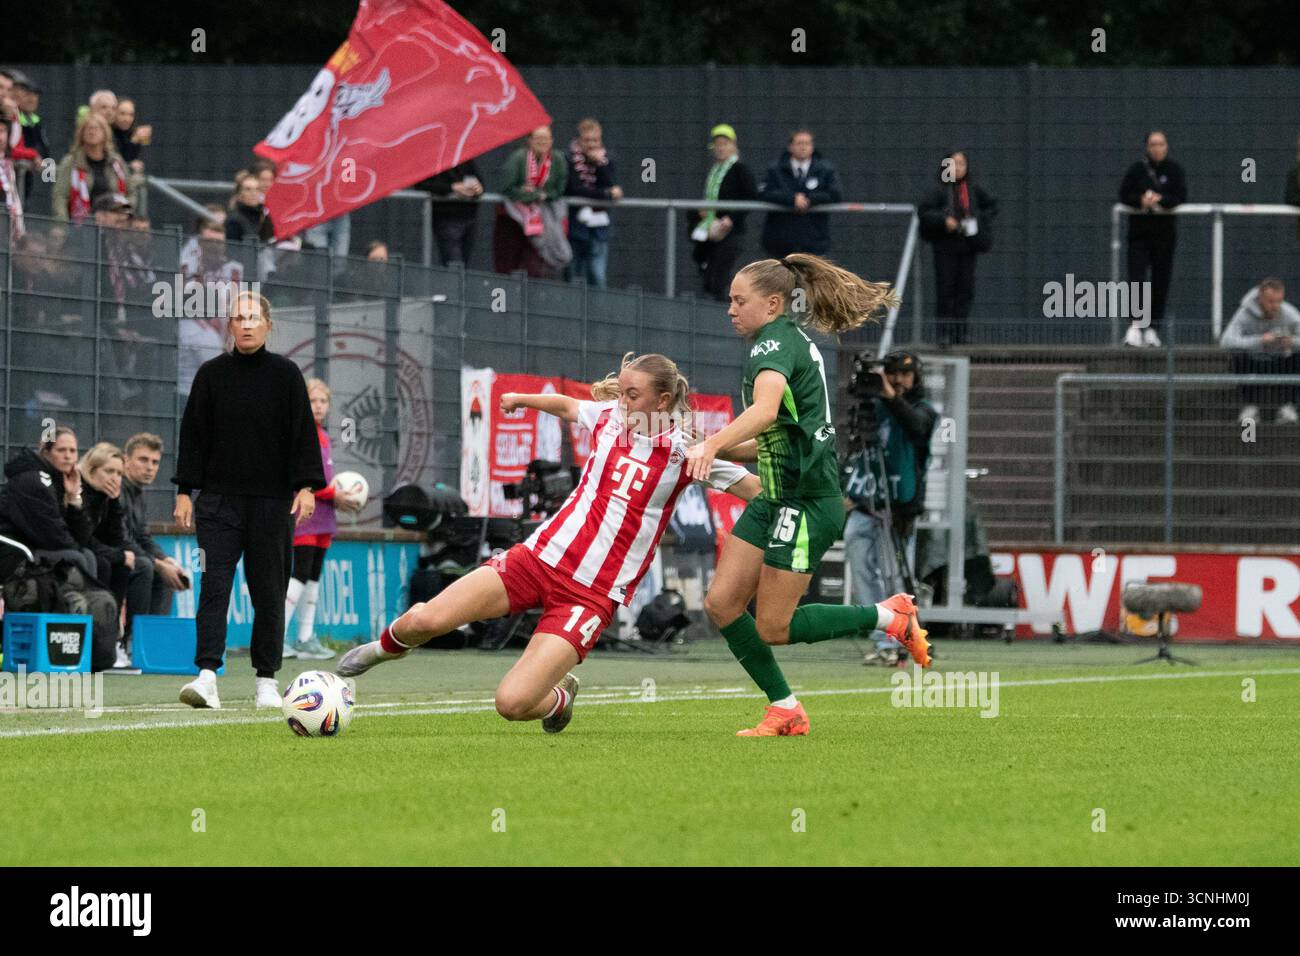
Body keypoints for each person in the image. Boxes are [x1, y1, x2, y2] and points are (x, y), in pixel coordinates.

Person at [336, 353, 763, 735]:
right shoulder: (609, 418)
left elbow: (755, 491)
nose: (622, 402)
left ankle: (560, 697)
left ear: (663, 400)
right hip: (536, 559)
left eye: (633, 395)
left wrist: (797, 498)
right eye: (622, 393)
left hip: (590, 595)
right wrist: (523, 398)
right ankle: (381, 650)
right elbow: (568, 405)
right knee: (425, 621)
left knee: (513, 704)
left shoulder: (686, 453)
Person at [686, 254, 930, 737]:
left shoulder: (771, 344)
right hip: (778, 497)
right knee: (722, 603)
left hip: (803, 503)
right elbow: (779, 431)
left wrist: (712, 444)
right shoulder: (788, 341)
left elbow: (765, 409)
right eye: (730, 300)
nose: (730, 309)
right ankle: (785, 709)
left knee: (773, 627)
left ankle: (890, 615)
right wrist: (706, 449)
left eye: (740, 301)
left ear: (773, 303)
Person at [172, 291, 326, 710]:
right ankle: (206, 677)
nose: (245, 324)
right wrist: (185, 491)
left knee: (269, 591)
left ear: (268, 324)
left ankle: (266, 681)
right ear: (229, 325)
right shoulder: (210, 375)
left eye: (253, 318)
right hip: (218, 504)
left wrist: (308, 486)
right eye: (237, 318)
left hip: (272, 504)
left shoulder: (287, 374)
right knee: (214, 586)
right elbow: (193, 435)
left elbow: (302, 434)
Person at [841, 350, 938, 665]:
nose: (898, 380)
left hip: (898, 509)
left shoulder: (923, 410)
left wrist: (889, 396)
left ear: (915, 378)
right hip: (865, 504)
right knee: (863, 573)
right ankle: (882, 639)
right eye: (892, 373)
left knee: (894, 579)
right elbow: (856, 444)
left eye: (905, 374)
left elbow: (917, 427)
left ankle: (902, 639)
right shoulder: (872, 410)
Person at [283, 378, 365, 661]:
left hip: (325, 517)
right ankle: (276, 637)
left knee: (314, 578)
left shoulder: (324, 437)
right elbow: (305, 478)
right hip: (305, 515)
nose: (318, 406)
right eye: (312, 400)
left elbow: (325, 478)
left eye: (322, 401)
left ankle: (305, 638)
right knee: (299, 573)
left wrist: (339, 497)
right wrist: (335, 494)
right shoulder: (297, 433)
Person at [918, 148, 998, 347]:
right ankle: (944, 334)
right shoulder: (939, 189)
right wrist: (944, 220)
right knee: (946, 290)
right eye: (954, 164)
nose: (958, 168)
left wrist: (978, 220)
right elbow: (924, 211)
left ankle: (960, 333)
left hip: (968, 246)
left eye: (962, 164)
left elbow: (992, 205)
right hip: (945, 246)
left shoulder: (973, 188)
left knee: (965, 291)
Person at [120, 433, 191, 645]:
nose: (150, 467)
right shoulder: (117, 490)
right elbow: (121, 538)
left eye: (155, 462)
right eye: (143, 460)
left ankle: (150, 643)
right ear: (126, 460)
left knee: (164, 571)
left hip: (130, 555)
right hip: (109, 555)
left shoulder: (138, 494)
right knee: (146, 567)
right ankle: (132, 641)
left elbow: (142, 537)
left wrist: (165, 560)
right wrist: (158, 564)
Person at [0, 425, 96, 582]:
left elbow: (80, 537)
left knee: (87, 555)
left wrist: (74, 498)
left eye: (72, 451)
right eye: (61, 450)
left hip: (35, 546)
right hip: (14, 552)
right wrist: (76, 545)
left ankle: (93, 604)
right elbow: (54, 536)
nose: (68, 456)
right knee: (77, 557)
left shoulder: (58, 481)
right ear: (46, 452)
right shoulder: (35, 480)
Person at [1119, 130, 1187, 347]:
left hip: (1164, 236)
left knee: (1160, 282)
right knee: (1137, 280)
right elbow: (1123, 195)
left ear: (1166, 146)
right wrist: (1141, 200)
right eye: (1153, 144)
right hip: (1139, 235)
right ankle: (1136, 325)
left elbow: (1180, 196)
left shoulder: (1175, 170)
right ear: (1147, 147)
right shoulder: (1137, 170)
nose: (1157, 148)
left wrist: (1160, 199)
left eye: (1161, 144)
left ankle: (1153, 328)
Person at [77, 442, 133, 665]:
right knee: (106, 563)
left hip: (93, 550)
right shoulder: (79, 491)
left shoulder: (105, 497)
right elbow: (83, 537)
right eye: (109, 471)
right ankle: (96, 639)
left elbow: (117, 540)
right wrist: (118, 555)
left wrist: (115, 502)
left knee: (126, 564)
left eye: (119, 473)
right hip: (75, 550)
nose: (115, 478)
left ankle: (114, 640)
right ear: (91, 470)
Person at [690, 124, 759, 302]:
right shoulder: (715, 171)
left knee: (720, 279)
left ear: (733, 145)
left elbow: (751, 196)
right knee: (708, 278)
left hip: (730, 232)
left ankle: (724, 319)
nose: (720, 148)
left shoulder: (739, 169)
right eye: (717, 144)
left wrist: (732, 218)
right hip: (712, 231)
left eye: (725, 143)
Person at [1220, 278, 1300, 425]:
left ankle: (1287, 407)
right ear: (1260, 299)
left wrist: (1292, 342)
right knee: (1237, 355)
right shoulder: (1244, 313)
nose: (1275, 306)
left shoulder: (1289, 313)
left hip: (1280, 363)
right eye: (1270, 301)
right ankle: (1250, 408)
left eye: (1279, 301)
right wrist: (1259, 341)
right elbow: (1226, 341)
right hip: (1253, 363)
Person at [493, 126, 569, 278]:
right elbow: (507, 188)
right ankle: (502, 299)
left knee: (536, 262)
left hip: (543, 217)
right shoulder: (518, 158)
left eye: (546, 138)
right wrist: (532, 195)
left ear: (552, 141)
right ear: (529, 141)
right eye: (538, 138)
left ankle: (532, 297)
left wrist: (542, 195)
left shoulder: (558, 159)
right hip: (514, 219)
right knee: (509, 262)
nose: (542, 142)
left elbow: (559, 189)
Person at [759, 128, 842, 260]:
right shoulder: (775, 169)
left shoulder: (825, 169)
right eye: (799, 143)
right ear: (790, 147)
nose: (803, 147)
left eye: (807, 143)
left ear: (812, 147)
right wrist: (792, 200)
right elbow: (764, 192)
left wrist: (810, 200)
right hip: (780, 241)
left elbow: (835, 194)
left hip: (814, 240)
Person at [564, 118, 623, 287]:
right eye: (587, 140)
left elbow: (612, 185)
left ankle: (598, 312)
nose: (591, 145)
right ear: (579, 140)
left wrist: (600, 165)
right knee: (574, 275)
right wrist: (604, 194)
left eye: (595, 140)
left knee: (597, 275)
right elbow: (574, 189)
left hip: (599, 227)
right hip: (575, 227)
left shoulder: (607, 159)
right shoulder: (569, 159)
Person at [51, 114, 132, 224]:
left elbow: (131, 192)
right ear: (81, 134)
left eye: (96, 129)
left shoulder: (116, 162)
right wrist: (61, 224)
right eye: (88, 129)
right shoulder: (71, 162)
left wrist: (124, 211)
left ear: (105, 134)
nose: (92, 132)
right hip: (82, 224)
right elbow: (60, 196)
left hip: (115, 224)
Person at [418, 160, 483, 267]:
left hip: (468, 215)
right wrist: (452, 188)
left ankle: (458, 282)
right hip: (447, 216)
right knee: (454, 263)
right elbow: (422, 184)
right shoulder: (436, 160)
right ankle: (454, 282)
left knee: (464, 262)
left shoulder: (465, 159)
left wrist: (478, 189)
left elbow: (479, 183)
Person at [111, 98, 150, 220]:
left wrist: (136, 141)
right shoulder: (108, 133)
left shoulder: (131, 134)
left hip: (125, 187)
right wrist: (134, 142)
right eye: (122, 113)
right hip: (110, 186)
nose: (126, 118)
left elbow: (133, 160)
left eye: (130, 115)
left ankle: (129, 218)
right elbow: (118, 159)